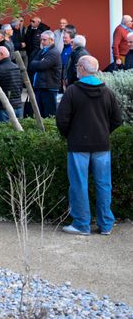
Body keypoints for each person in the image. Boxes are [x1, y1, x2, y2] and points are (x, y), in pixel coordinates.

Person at [56, 55, 123, 236]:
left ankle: (81, 224)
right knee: (103, 184)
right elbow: (117, 119)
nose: (76, 67)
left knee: (79, 184)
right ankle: (106, 225)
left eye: (78, 65)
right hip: (102, 144)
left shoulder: (72, 91)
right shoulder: (107, 91)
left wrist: (70, 135)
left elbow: (62, 120)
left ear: (82, 69)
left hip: (78, 145)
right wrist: (103, 132)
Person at [27, 30, 61, 118]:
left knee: (49, 114)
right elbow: (31, 63)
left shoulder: (53, 52)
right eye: (41, 39)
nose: (42, 42)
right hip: (41, 86)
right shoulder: (43, 51)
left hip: (48, 87)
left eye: (44, 40)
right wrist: (38, 63)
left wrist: (37, 63)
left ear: (51, 40)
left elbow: (42, 65)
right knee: (40, 113)